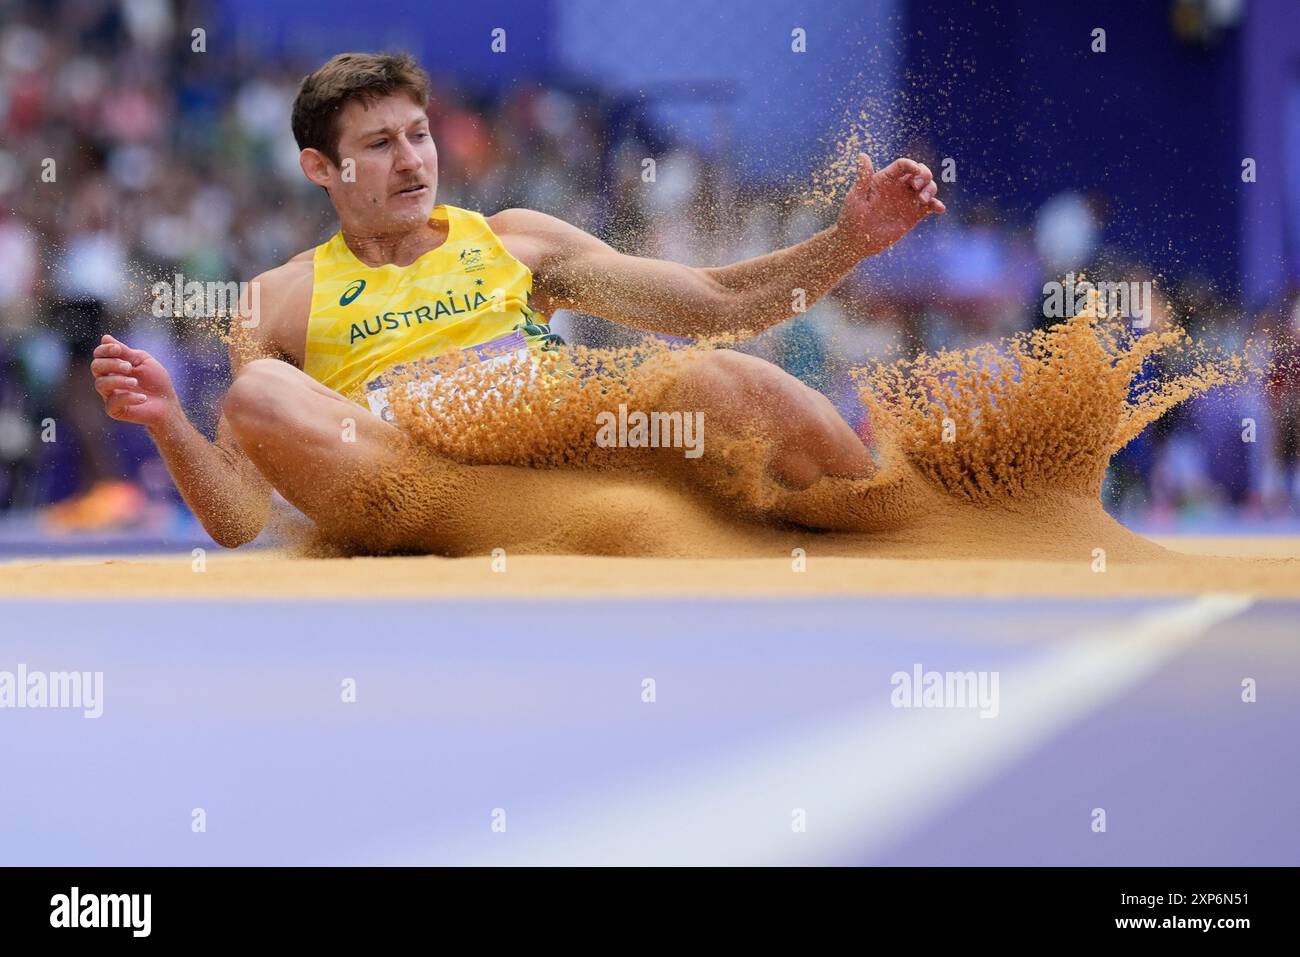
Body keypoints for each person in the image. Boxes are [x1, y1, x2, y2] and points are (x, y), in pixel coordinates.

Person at [90, 52, 944, 553]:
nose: (413, 161)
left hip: (555, 435)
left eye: (419, 135)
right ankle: (486, 514)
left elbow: (715, 302)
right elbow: (240, 519)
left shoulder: (514, 239)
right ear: (322, 168)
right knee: (257, 393)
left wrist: (848, 242)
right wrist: (169, 420)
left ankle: (904, 527)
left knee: (733, 381)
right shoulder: (271, 299)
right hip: (406, 478)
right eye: (379, 145)